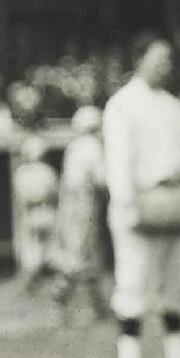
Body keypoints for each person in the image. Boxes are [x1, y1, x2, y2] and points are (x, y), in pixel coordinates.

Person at [102, 34, 180, 358]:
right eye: (157, 58)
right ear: (139, 59)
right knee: (134, 282)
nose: (165, 66)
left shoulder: (171, 105)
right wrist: (126, 204)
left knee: (175, 282)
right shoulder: (122, 105)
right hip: (140, 200)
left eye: (168, 60)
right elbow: (117, 161)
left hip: (173, 200)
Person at [50, 104, 110, 323]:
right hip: (83, 205)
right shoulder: (91, 146)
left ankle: (100, 308)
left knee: (89, 258)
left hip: (70, 205)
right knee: (79, 258)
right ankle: (57, 303)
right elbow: (101, 180)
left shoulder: (74, 147)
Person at [12, 137, 60, 294]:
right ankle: (49, 283)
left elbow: (20, 199)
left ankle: (31, 283)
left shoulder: (21, 172)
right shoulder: (48, 171)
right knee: (50, 250)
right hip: (47, 212)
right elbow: (56, 194)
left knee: (32, 251)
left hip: (31, 213)